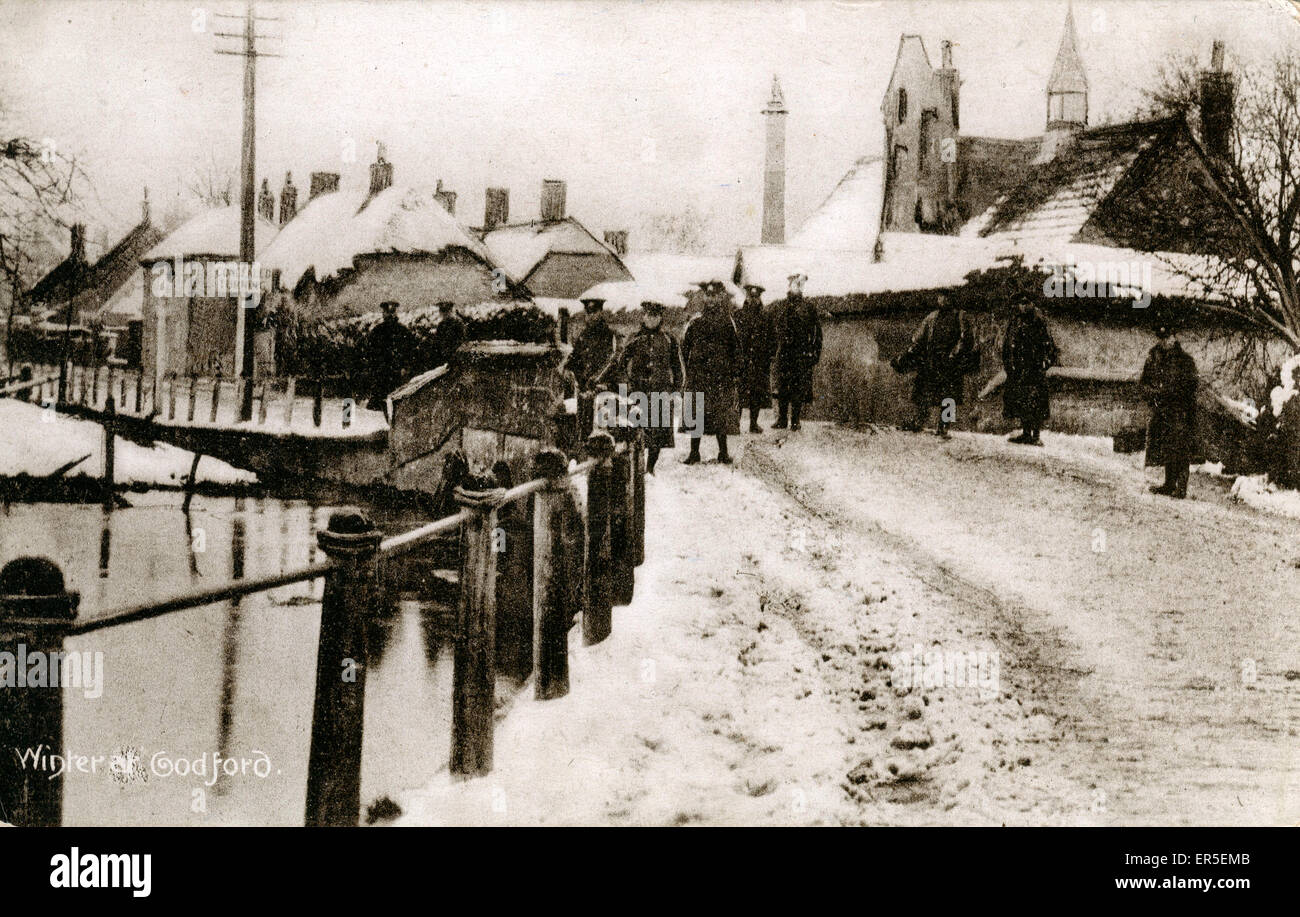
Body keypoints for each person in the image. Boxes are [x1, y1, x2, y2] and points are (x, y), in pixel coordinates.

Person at [890, 292, 978, 438]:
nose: (943, 300)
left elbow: (965, 339)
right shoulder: (932, 317)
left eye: (947, 296)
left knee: (950, 396)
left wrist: (954, 354)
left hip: (951, 363)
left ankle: (944, 427)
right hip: (932, 361)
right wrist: (908, 352)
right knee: (922, 391)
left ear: (952, 299)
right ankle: (918, 421)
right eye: (941, 296)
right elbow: (919, 338)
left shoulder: (960, 316)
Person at [618, 300, 684, 473]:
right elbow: (620, 363)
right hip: (637, 392)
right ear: (643, 316)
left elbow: (678, 368)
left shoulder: (669, 340)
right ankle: (636, 468)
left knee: (658, 434)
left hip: (661, 393)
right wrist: (626, 384)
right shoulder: (634, 338)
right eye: (648, 315)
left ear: (660, 318)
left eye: (655, 316)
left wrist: (676, 391)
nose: (651, 319)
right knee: (634, 431)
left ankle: (650, 468)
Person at [682, 281, 740, 463]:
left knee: (720, 414)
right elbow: (684, 348)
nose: (711, 299)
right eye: (708, 295)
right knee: (696, 412)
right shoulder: (695, 321)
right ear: (704, 297)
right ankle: (694, 453)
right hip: (699, 376)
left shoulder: (727, 322)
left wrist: (734, 373)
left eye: (715, 296)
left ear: (721, 297)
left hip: (720, 377)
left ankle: (723, 453)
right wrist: (689, 371)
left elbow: (736, 350)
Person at [1140, 323, 1198, 498]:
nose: (1164, 341)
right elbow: (1144, 383)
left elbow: (1192, 386)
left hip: (1180, 410)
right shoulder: (1154, 357)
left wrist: (1174, 395)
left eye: (1167, 337)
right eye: (1161, 338)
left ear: (1175, 337)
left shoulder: (1185, 361)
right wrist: (1153, 395)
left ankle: (1181, 487)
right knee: (1165, 446)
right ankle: (1168, 484)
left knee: (1180, 447)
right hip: (1161, 409)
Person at [1001, 297, 1058, 445]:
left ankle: (1036, 435)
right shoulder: (1016, 321)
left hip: (1034, 367)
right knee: (1022, 400)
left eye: (1027, 303)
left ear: (1032, 304)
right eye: (1021, 303)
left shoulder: (1039, 322)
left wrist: (1045, 364)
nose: (1023, 306)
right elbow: (1008, 342)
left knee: (1036, 401)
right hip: (1019, 368)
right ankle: (1026, 433)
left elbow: (1050, 345)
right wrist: (1009, 363)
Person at [772, 272, 823, 431]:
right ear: (789, 285)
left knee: (798, 388)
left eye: (801, 284)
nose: (798, 286)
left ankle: (795, 420)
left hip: (801, 354)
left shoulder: (809, 308)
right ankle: (781, 419)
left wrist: (815, 353)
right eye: (795, 283)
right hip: (784, 353)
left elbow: (817, 333)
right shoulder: (781, 306)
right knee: (782, 387)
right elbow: (774, 330)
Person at [567, 296, 618, 437]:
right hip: (584, 389)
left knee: (601, 427)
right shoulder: (583, 335)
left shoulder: (609, 335)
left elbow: (611, 361)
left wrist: (596, 380)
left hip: (602, 389)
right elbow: (575, 358)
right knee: (583, 424)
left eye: (594, 312)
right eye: (589, 312)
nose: (591, 316)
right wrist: (570, 370)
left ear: (601, 312)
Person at [735, 283, 774, 433]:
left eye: (756, 296)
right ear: (746, 296)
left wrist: (770, 356)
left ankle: (753, 423)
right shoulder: (738, 315)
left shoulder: (766, 316)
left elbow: (772, 338)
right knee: (739, 393)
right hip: (742, 361)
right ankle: (735, 423)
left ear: (759, 297)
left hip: (760, 362)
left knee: (757, 393)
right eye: (751, 296)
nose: (753, 299)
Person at [366, 300, 416, 410]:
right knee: (386, 401)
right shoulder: (378, 331)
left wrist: (405, 366)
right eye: (387, 312)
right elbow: (371, 351)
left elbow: (410, 350)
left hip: (395, 372)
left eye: (390, 312)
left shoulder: (402, 331)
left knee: (395, 400)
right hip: (385, 372)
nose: (388, 314)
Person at [427, 300, 466, 369]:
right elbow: (438, 339)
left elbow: (462, 339)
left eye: (446, 311)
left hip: (455, 353)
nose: (444, 314)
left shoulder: (458, 323)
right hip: (445, 353)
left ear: (450, 311)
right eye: (442, 312)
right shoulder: (442, 324)